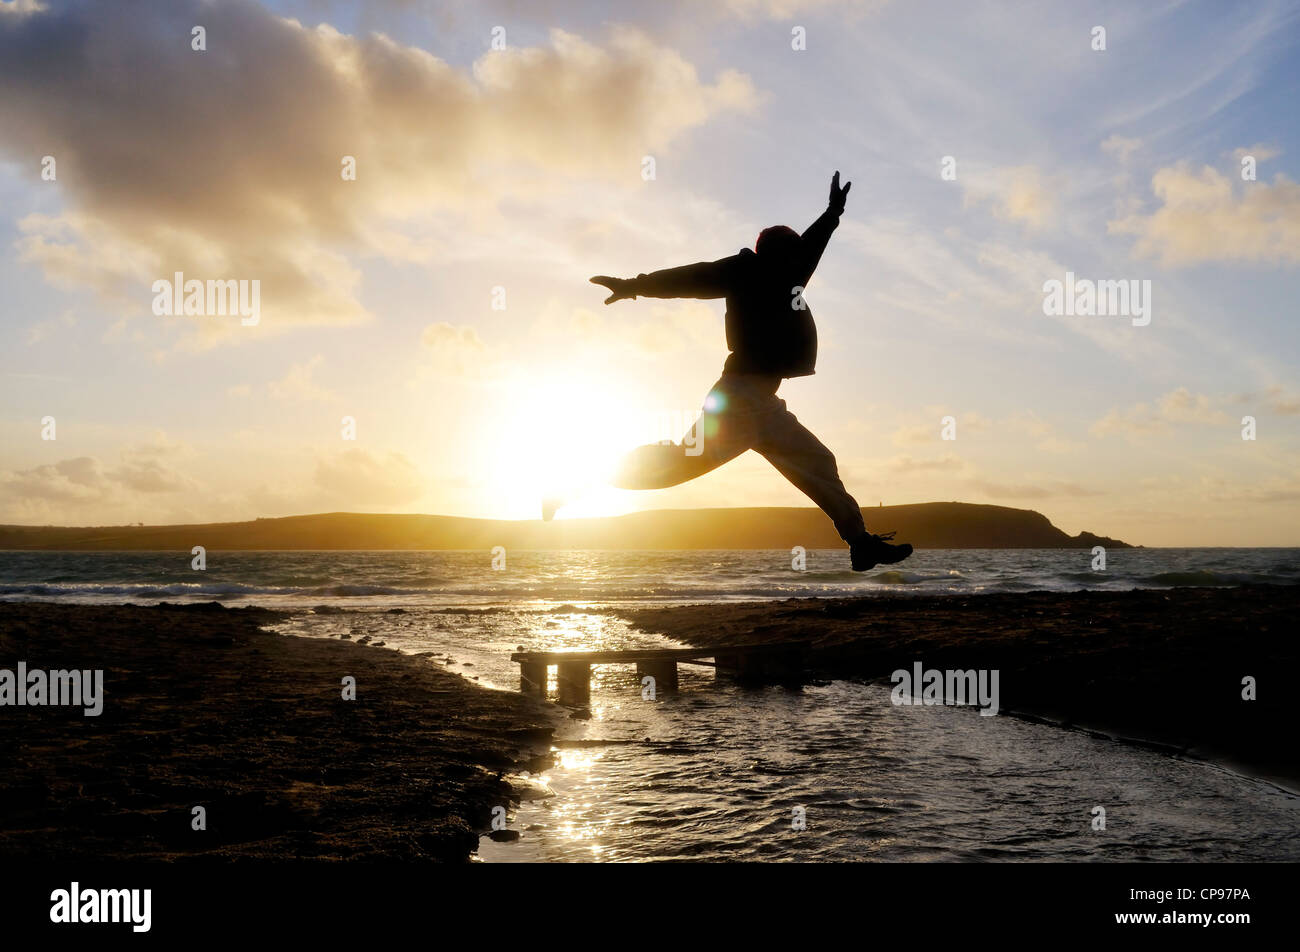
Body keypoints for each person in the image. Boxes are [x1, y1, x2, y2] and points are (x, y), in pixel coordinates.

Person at [580, 172, 913, 572]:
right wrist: (633, 285)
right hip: (739, 399)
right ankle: (587, 479)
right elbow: (690, 277)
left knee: (817, 462)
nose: (800, 260)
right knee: (681, 462)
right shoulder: (745, 271)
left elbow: (812, 246)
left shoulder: (791, 277)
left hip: (760, 402)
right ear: (774, 254)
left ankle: (861, 544)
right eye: (791, 253)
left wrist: (833, 213)